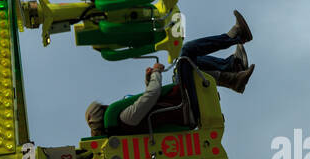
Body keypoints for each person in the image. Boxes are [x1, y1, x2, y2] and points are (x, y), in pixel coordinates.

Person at [84, 11, 255, 139]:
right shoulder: (125, 118)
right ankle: (235, 37)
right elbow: (153, 95)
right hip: (184, 109)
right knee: (186, 53)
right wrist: (156, 73)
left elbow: (151, 106)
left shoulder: (124, 123)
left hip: (182, 107)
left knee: (187, 64)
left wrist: (148, 81)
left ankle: (233, 71)